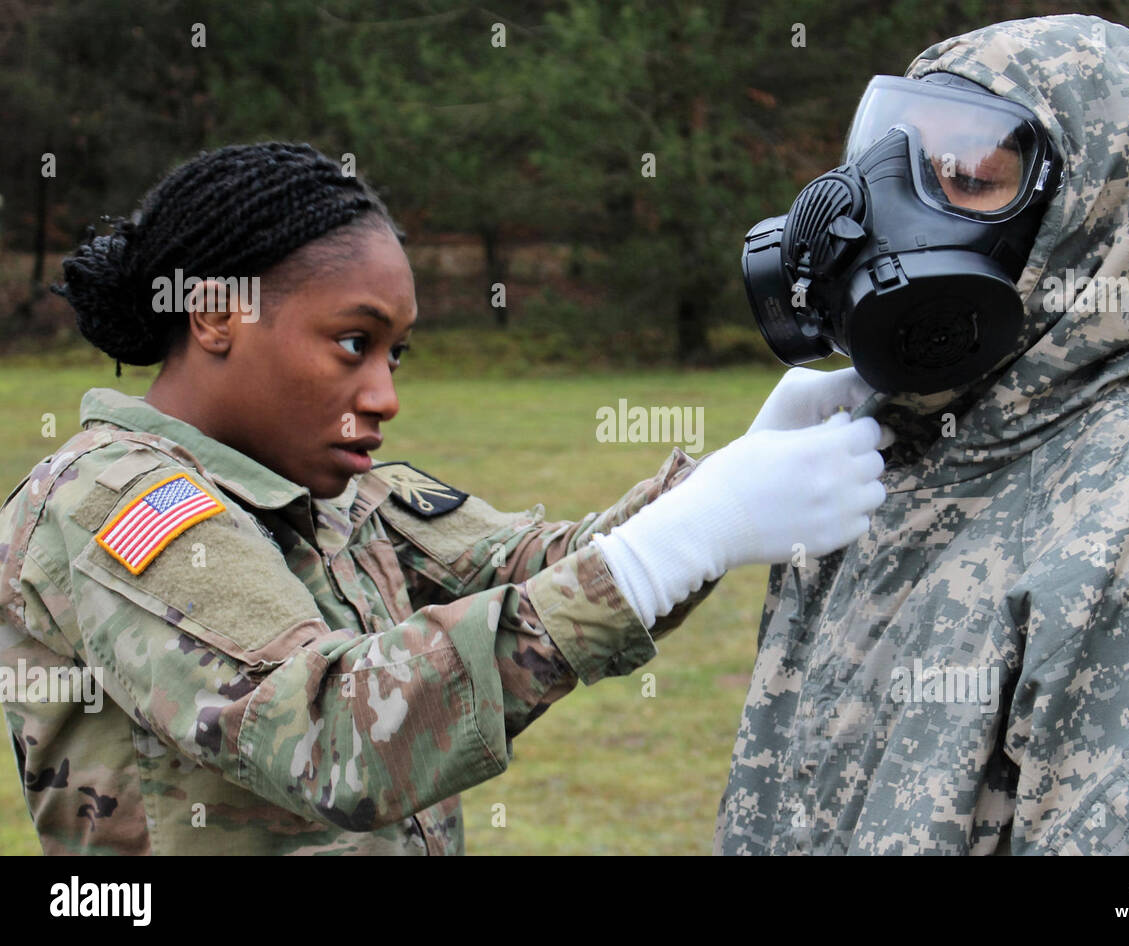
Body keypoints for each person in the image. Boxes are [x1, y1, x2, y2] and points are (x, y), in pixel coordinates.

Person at [0, 142, 892, 855]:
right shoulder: (112, 505)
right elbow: (334, 738)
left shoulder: (335, 492)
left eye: (397, 354)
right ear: (215, 317)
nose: (385, 394)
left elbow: (540, 567)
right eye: (354, 342)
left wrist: (729, 477)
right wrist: (697, 531)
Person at [716, 14, 1129, 855]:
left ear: (1099, 229)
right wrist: (692, 516)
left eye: (970, 172)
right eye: (893, 150)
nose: (873, 206)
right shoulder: (871, 475)